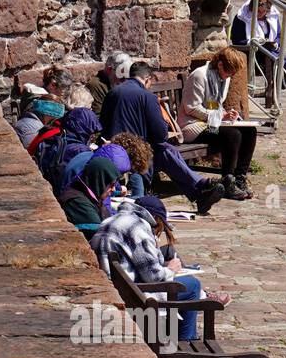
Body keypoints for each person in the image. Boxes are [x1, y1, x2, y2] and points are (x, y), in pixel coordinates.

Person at [92, 194, 226, 342]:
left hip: (118, 285)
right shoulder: (137, 228)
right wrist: (172, 269)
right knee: (192, 285)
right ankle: (186, 341)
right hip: (132, 295)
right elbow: (153, 276)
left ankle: (187, 327)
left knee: (189, 285)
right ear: (156, 219)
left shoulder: (112, 220)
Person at [100, 61, 225, 213]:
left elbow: (103, 124)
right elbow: (160, 135)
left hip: (110, 150)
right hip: (136, 156)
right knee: (165, 150)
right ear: (148, 79)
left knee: (166, 150)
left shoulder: (112, 93)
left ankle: (200, 190)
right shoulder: (148, 97)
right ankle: (200, 188)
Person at [179, 47, 257, 199]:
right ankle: (227, 180)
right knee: (231, 135)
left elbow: (212, 103)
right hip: (193, 126)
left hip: (210, 124)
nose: (231, 76)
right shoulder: (199, 76)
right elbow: (192, 107)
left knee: (250, 131)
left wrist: (225, 114)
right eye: (229, 71)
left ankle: (239, 177)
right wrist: (218, 116)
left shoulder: (224, 79)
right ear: (220, 65)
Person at [230, 0, 286, 85]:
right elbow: (237, 40)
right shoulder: (241, 18)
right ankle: (271, 89)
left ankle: (275, 89)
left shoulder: (272, 17)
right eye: (257, 11)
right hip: (252, 53)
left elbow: (279, 35)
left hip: (272, 51)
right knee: (274, 64)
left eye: (263, 12)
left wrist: (276, 43)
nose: (260, 14)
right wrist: (254, 43)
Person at [60, 155, 122, 228]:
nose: (113, 189)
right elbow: (101, 232)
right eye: (111, 185)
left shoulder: (91, 195)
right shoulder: (78, 203)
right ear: (100, 182)